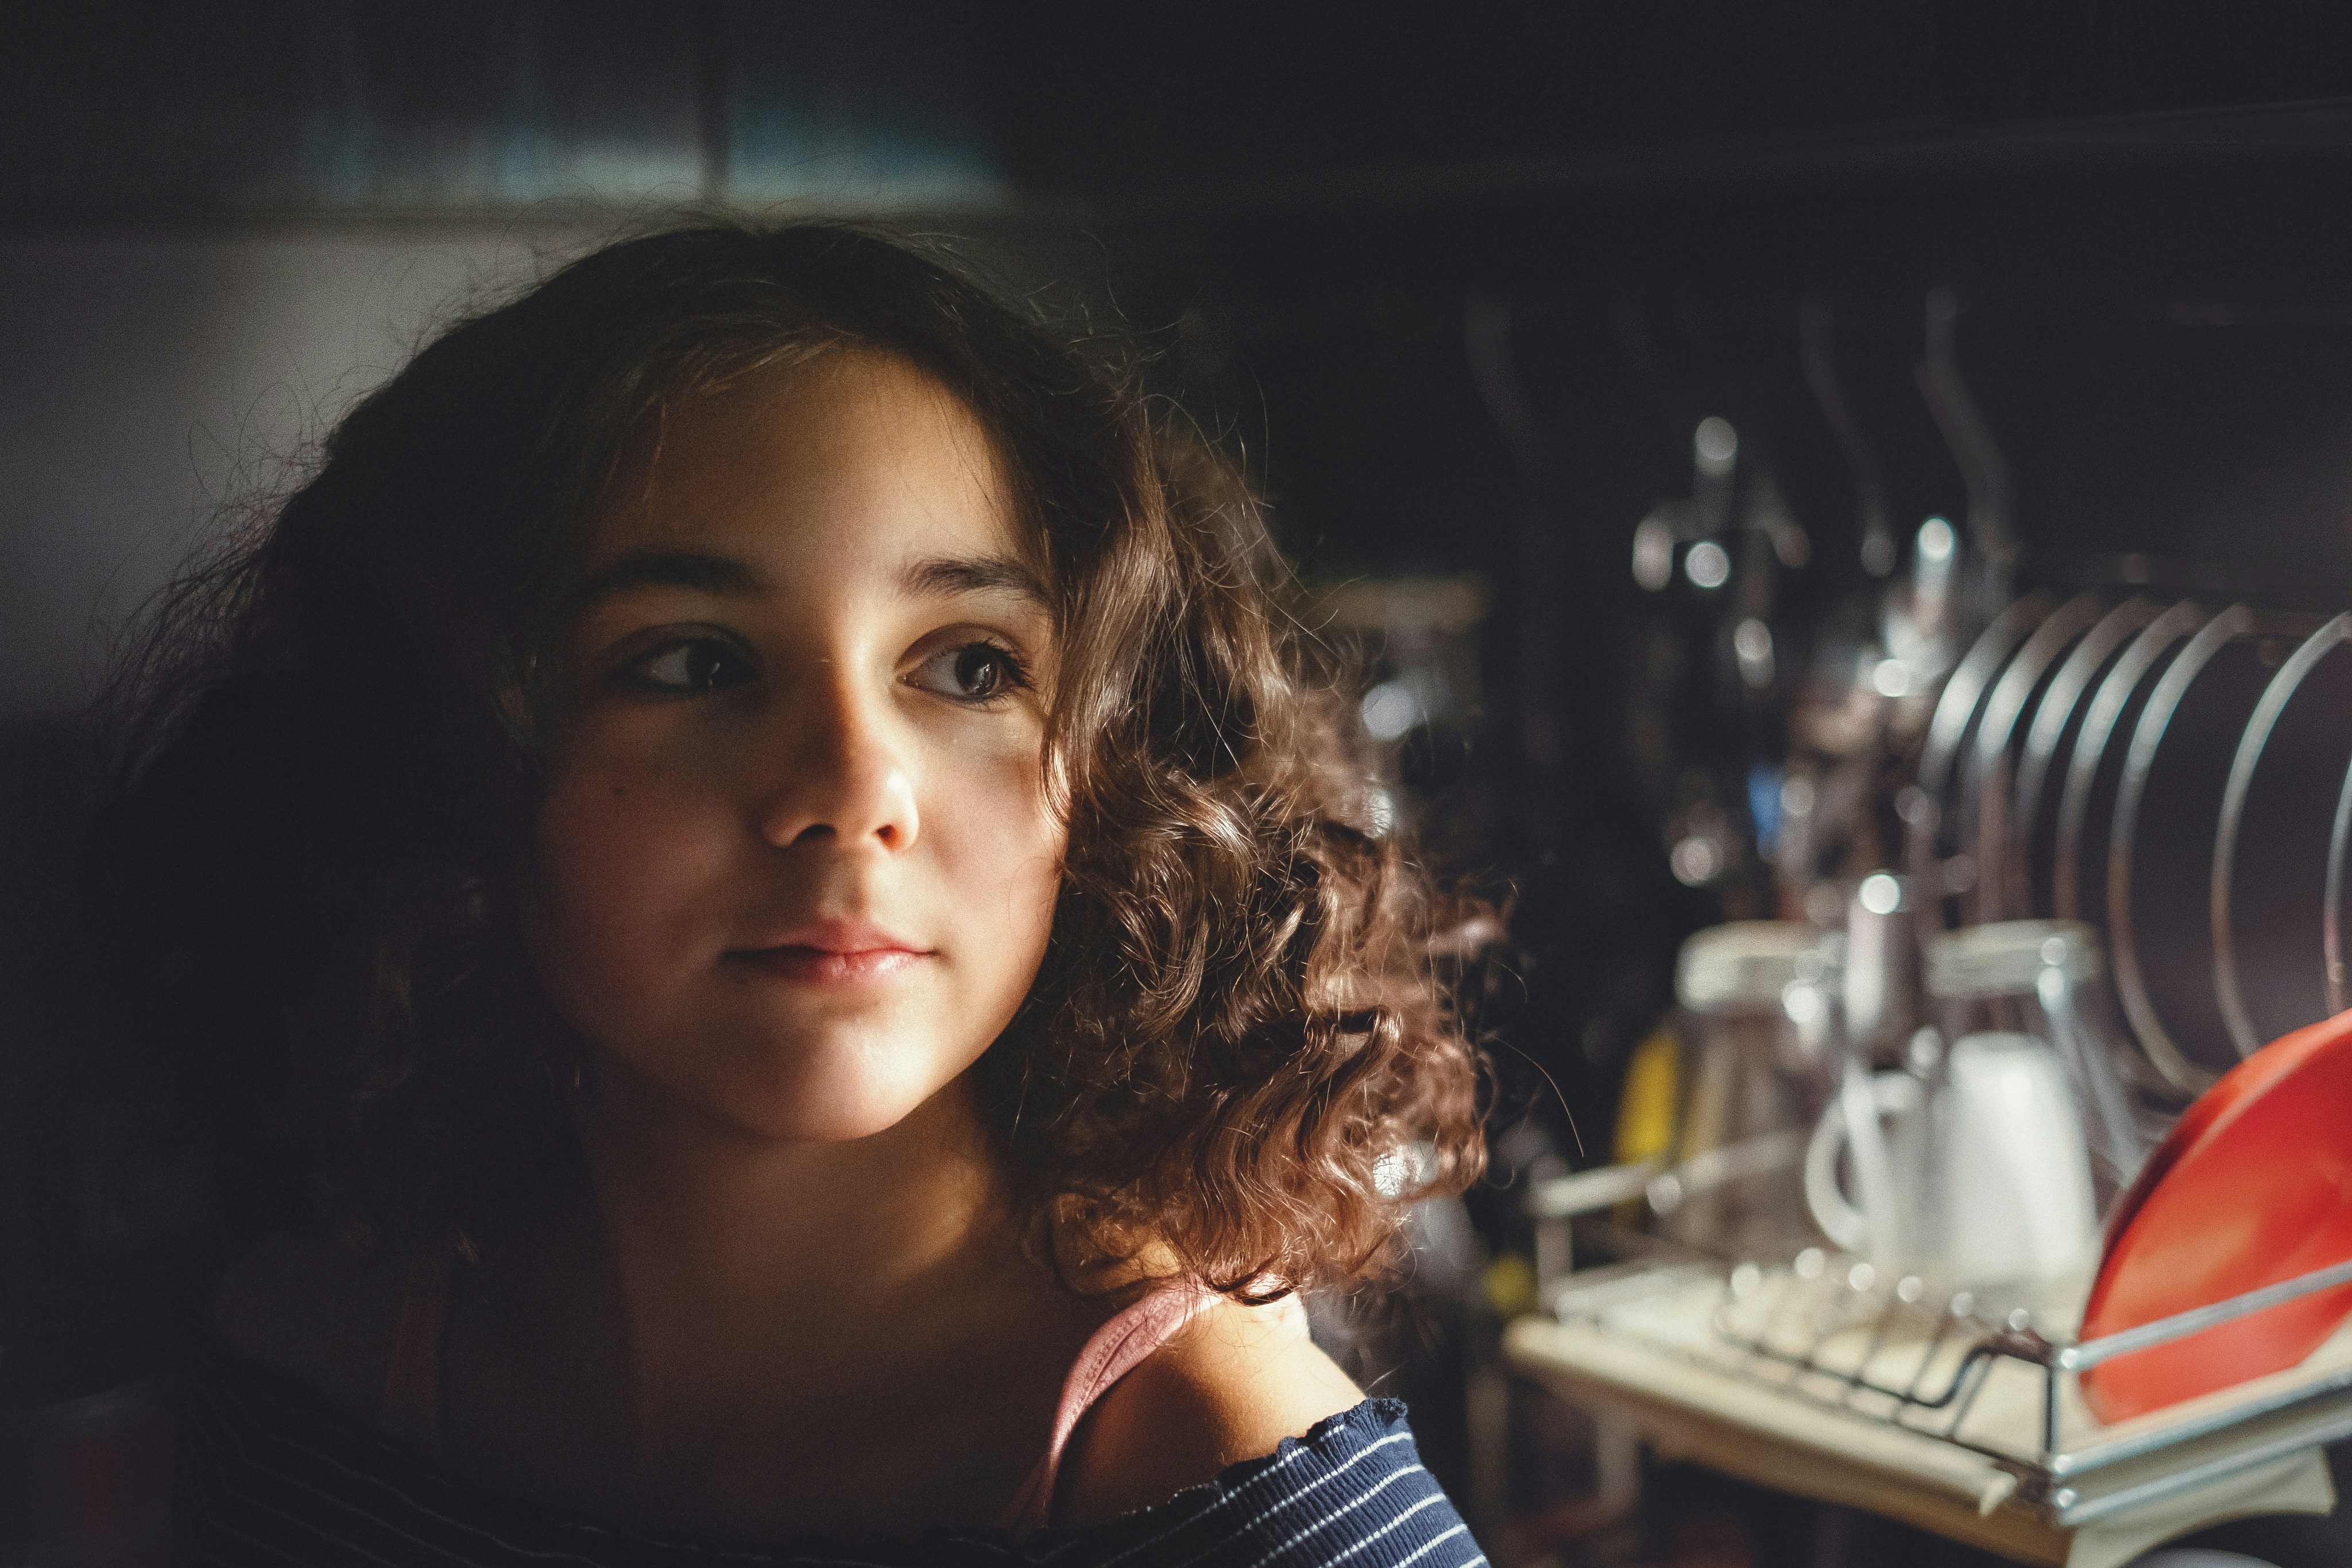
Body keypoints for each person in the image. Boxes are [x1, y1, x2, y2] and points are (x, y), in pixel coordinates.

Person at [75, 223, 1490, 1564]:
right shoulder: (312, 1373)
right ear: (439, 752)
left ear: (1113, 778)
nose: (850, 786)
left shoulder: (1238, 1495)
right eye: (693, 662)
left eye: (968, 665)